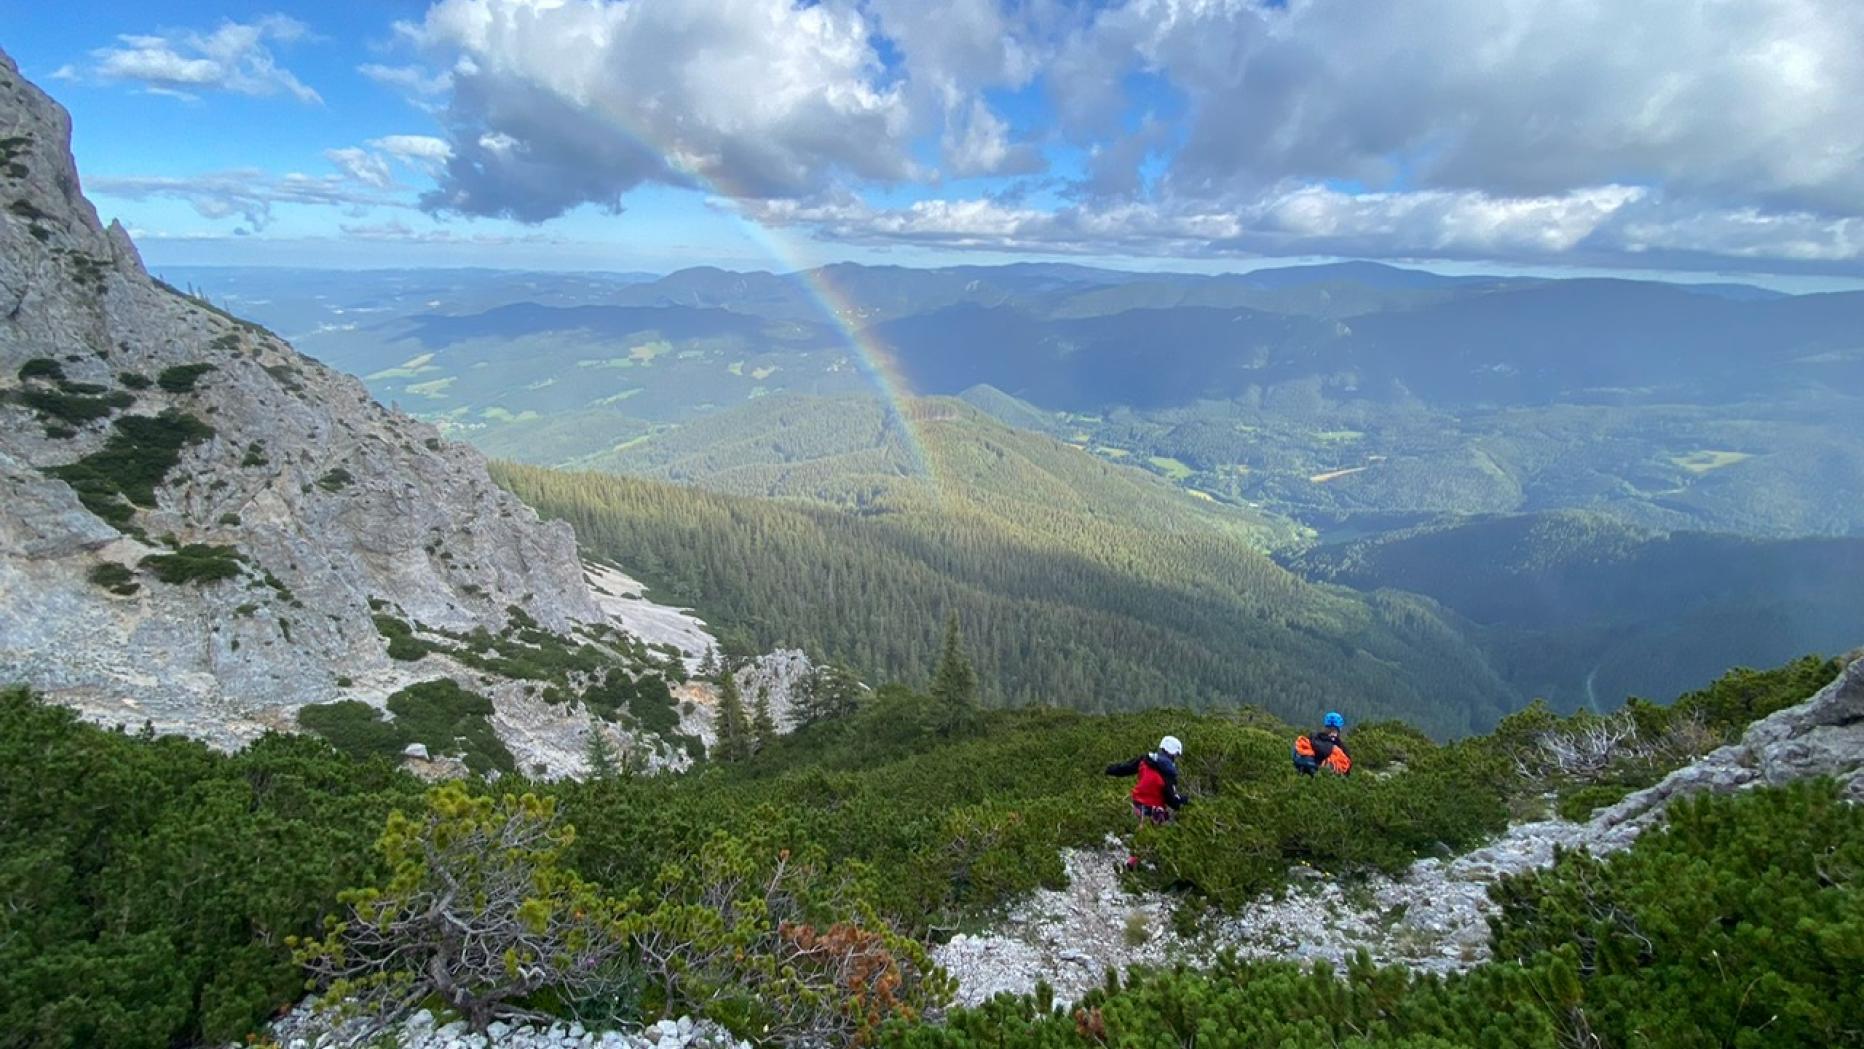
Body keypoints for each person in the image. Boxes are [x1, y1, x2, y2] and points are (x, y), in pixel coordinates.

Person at [1107, 735, 1187, 870]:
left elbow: (1125, 768)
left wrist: (1109, 770)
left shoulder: (1145, 760)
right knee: (1152, 833)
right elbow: (1173, 801)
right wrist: (1185, 800)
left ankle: (1140, 856)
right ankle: (1133, 863)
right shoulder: (1168, 773)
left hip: (1137, 804)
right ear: (1172, 754)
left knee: (1145, 829)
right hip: (1153, 809)